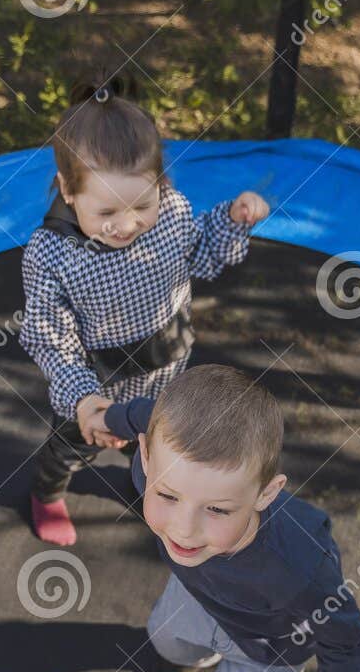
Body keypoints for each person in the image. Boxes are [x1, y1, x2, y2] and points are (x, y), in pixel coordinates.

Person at [90, 364, 360, 672]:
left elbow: (346, 643)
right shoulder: (149, 457)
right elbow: (143, 414)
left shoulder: (301, 567)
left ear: (266, 493)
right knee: (165, 637)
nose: (183, 529)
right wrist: (107, 419)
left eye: (218, 509)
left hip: (267, 649)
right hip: (199, 596)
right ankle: (188, 661)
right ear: (145, 454)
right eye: (169, 496)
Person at [19, 77, 268, 546]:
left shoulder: (171, 212)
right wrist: (85, 401)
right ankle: (47, 493)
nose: (127, 224)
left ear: (161, 185)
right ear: (68, 192)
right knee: (73, 447)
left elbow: (201, 254)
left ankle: (151, 485)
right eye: (107, 212)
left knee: (159, 442)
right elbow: (50, 335)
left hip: (166, 367)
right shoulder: (51, 254)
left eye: (142, 204)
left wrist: (232, 221)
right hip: (98, 382)